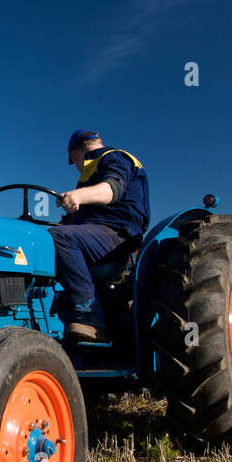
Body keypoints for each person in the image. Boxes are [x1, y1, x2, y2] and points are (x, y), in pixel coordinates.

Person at [53, 129, 151, 341]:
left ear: (74, 155)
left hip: (117, 234)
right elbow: (79, 221)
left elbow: (111, 190)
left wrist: (78, 195)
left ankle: (89, 317)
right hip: (96, 234)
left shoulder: (113, 157)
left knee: (60, 238)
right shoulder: (90, 175)